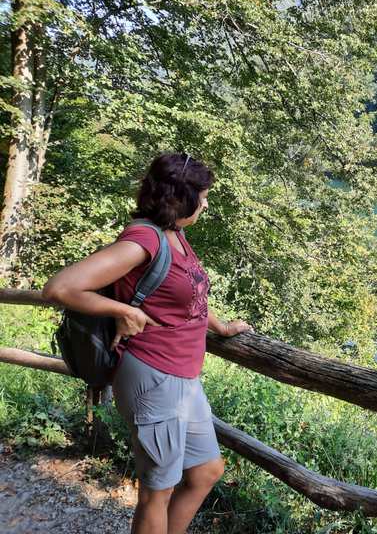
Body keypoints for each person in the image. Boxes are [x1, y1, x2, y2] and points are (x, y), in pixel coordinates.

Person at [42, 153, 252, 534]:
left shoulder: (177, 235)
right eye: (202, 196)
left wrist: (220, 326)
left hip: (184, 379)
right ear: (180, 197)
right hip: (153, 375)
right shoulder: (144, 240)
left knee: (206, 471)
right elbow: (61, 287)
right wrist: (122, 308)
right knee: (158, 492)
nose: (206, 203)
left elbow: (189, 296)